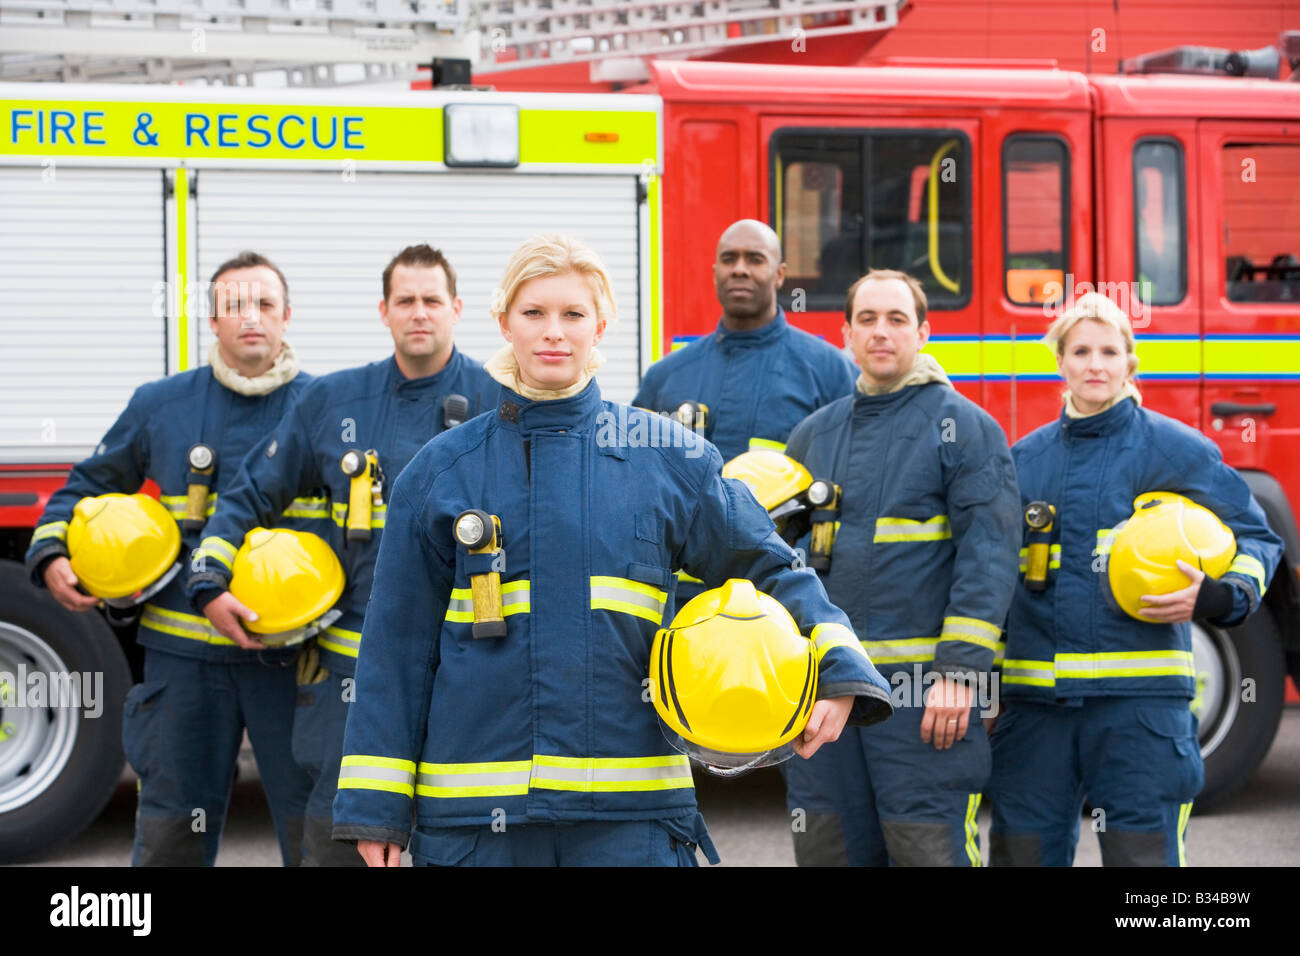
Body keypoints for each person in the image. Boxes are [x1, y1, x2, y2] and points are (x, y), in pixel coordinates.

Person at [331, 234, 894, 867]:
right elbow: (395, 648)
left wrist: (840, 665)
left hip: (632, 823)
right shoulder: (441, 473)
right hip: (476, 826)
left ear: (601, 325)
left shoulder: (667, 459)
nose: (554, 333)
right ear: (503, 323)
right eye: (534, 313)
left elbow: (770, 563)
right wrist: (376, 805)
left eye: (573, 314)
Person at [188, 243, 497, 866]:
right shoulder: (333, 403)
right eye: (404, 301)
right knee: (338, 838)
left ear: (457, 308)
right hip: (351, 677)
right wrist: (208, 580)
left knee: (473, 832)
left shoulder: (501, 399)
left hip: (474, 662)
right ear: (383, 310)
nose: (419, 313)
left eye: (431, 300)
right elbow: (250, 494)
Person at [24, 251, 316, 866]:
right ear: (212, 321)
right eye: (235, 306)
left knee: (318, 834)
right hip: (185, 666)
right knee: (170, 839)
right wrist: (51, 550)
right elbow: (83, 490)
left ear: (287, 316)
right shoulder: (162, 405)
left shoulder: (328, 408)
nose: (252, 318)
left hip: (295, 661)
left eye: (265, 304)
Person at [986, 292, 1283, 866]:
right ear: (1060, 363)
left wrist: (1221, 596)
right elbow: (995, 579)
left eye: (1109, 351)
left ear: (1130, 364)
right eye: (1081, 351)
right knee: (1022, 855)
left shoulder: (1174, 449)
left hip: (1141, 711)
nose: (1095, 364)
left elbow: (1259, 538)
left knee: (1143, 865)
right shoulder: (1024, 461)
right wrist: (988, 686)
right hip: (1034, 712)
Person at [780, 269, 1021, 866]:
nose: (880, 332)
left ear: (924, 333)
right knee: (829, 851)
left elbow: (988, 559)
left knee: (927, 853)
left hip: (923, 701)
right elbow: (779, 565)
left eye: (896, 320)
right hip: (827, 693)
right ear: (846, 333)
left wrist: (961, 673)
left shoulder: (965, 429)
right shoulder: (814, 435)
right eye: (867, 319)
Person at [632, 219, 857, 608]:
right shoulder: (666, 376)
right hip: (686, 596)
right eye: (729, 259)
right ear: (715, 271)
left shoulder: (828, 370)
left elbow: (850, 484)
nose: (740, 268)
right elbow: (635, 485)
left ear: (780, 274)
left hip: (782, 591)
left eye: (755, 259)